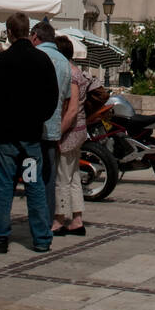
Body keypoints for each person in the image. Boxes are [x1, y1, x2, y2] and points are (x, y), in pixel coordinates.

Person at [0, 13, 59, 253]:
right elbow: (52, 98)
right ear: (29, 31)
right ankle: (41, 237)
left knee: (3, 186)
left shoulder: (2, 61)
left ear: (9, 32)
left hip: (5, 136)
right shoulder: (42, 60)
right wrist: (38, 119)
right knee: (34, 185)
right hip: (30, 136)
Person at [32, 18, 71, 224]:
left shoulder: (36, 56)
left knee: (31, 177)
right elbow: (65, 99)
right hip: (53, 128)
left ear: (36, 37)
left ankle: (35, 219)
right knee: (48, 178)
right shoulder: (64, 62)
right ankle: (45, 221)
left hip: (33, 128)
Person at [52, 35, 87, 236]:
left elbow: (72, 110)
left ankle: (59, 219)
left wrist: (58, 133)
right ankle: (77, 218)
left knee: (62, 177)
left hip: (70, 132)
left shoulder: (71, 74)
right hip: (79, 131)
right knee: (73, 176)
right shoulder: (78, 72)